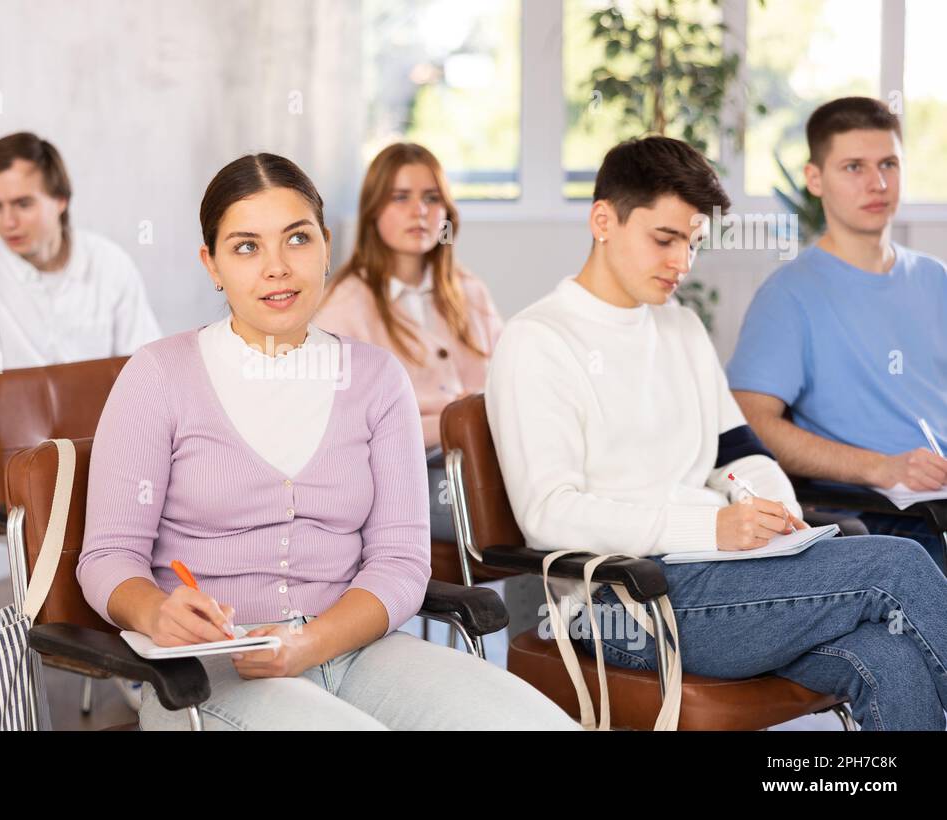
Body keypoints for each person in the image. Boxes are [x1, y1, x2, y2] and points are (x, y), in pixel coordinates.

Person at [76, 152, 578, 731]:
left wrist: (309, 643)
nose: (277, 267)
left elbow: (398, 563)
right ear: (210, 264)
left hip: (359, 650)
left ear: (326, 246)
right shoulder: (158, 376)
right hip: (208, 674)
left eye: (296, 239)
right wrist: (156, 610)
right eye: (245, 247)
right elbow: (109, 556)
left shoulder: (376, 378)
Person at [488, 136, 947, 730]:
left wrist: (771, 509)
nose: (683, 263)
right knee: (897, 567)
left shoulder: (679, 327)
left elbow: (739, 453)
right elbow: (548, 513)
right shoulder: (539, 342)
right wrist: (711, 525)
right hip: (619, 601)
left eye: (694, 243)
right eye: (665, 239)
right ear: (603, 219)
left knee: (888, 657)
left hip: (716, 577)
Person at [727, 97, 947, 568]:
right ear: (815, 179)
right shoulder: (788, 295)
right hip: (882, 515)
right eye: (854, 167)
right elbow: (752, 422)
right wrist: (883, 467)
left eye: (889, 163)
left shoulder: (935, 279)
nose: (878, 183)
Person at [0, 132, 161, 391]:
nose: (8, 222)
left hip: (111, 427)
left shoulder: (110, 263)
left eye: (23, 204)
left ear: (61, 199)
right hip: (17, 430)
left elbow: (146, 372)